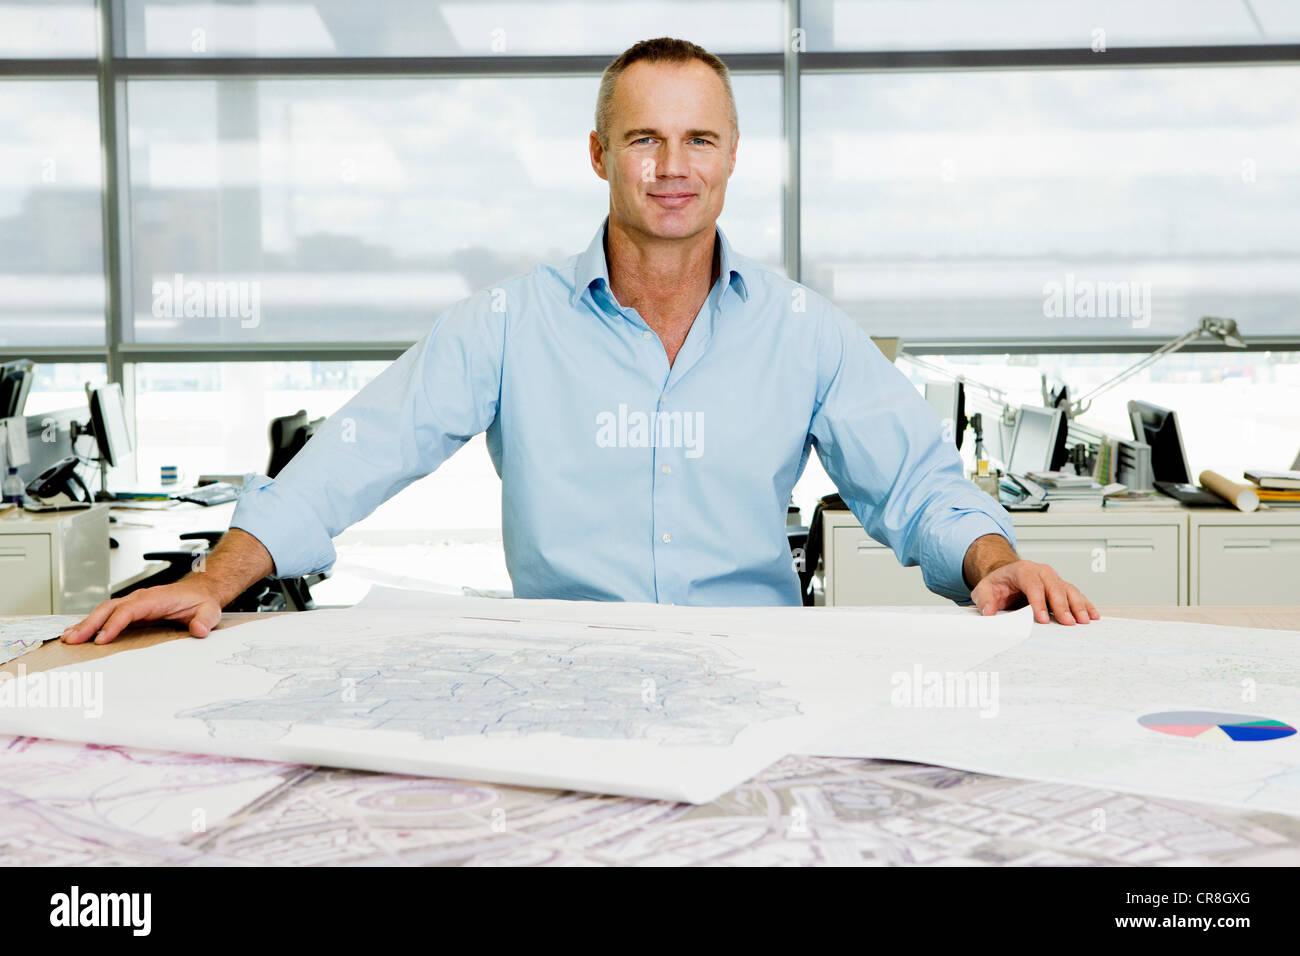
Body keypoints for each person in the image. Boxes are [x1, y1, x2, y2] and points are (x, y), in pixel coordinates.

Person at [64, 37, 1097, 647]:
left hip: (762, 684)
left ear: (732, 155)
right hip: (563, 684)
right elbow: (352, 455)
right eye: (645, 138)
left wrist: (994, 560)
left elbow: (917, 483)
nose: (672, 167)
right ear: (601, 153)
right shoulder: (507, 326)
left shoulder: (800, 330)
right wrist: (216, 576)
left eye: (698, 138)